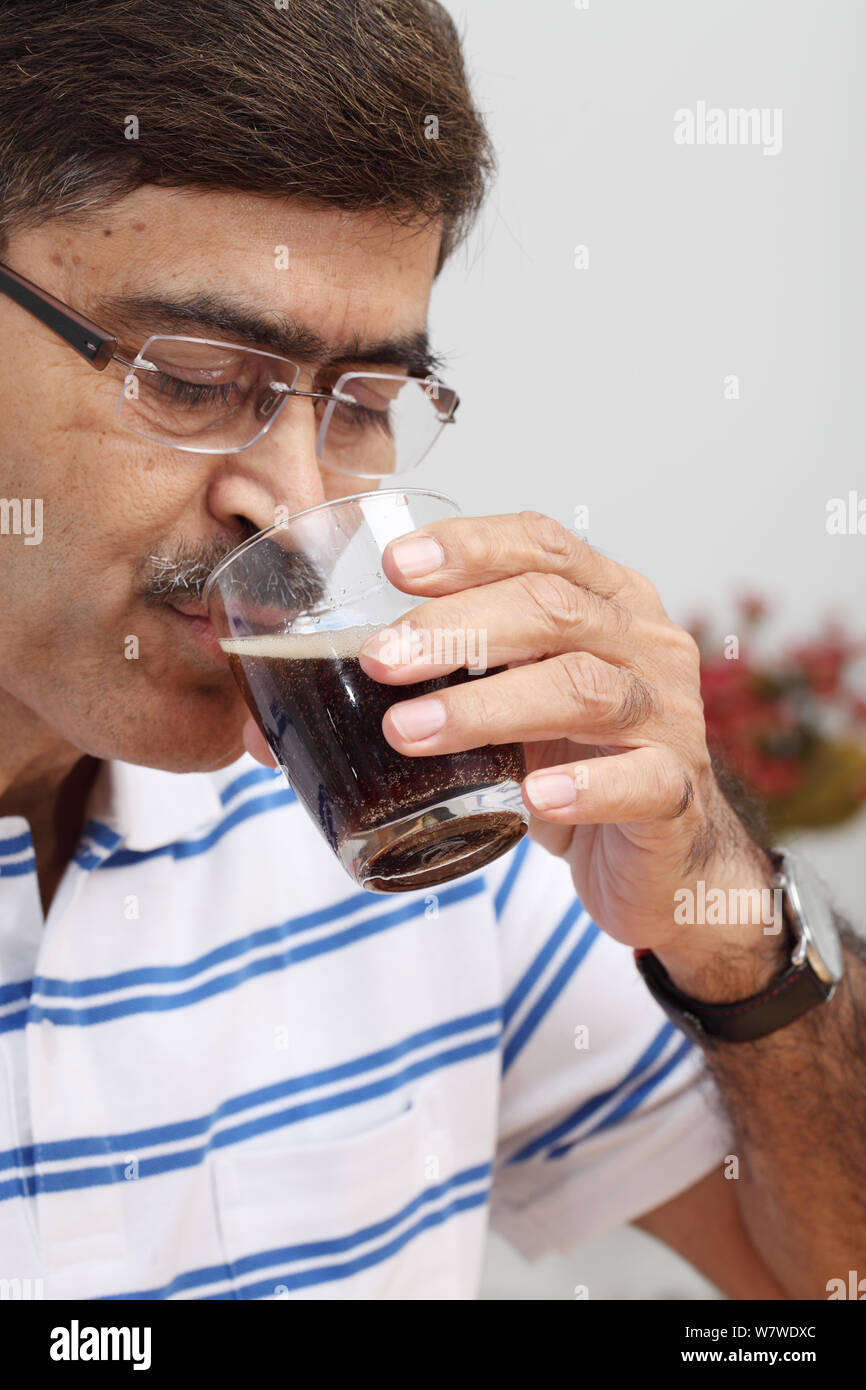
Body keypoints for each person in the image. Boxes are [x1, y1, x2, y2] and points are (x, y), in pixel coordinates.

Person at [0, 0, 861, 1302]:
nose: (291, 503)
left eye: (363, 403)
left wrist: (721, 917)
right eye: (187, 376)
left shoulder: (394, 801)